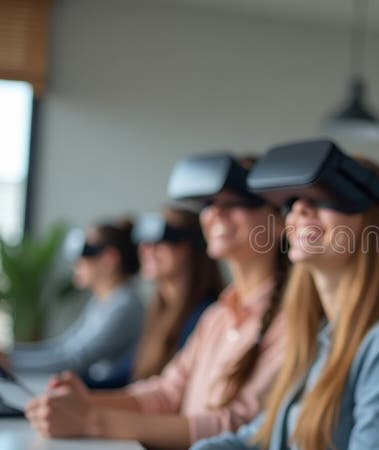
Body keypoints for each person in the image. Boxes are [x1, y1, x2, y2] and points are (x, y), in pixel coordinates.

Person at [191, 140, 379, 450]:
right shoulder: (319, 339)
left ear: (376, 226)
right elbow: (256, 437)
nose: (299, 209)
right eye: (292, 200)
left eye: (324, 197)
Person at [25, 155, 289, 449]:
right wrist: (85, 401)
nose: (216, 213)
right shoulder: (218, 315)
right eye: (209, 204)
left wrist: (91, 419)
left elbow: (239, 428)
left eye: (238, 202)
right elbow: (167, 391)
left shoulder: (292, 321)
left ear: (279, 221)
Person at [84, 207, 225, 388]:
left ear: (188, 248)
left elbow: (171, 394)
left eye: (160, 238)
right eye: (143, 240)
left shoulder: (206, 315)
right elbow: (127, 374)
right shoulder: (159, 311)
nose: (146, 249)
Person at [7, 219, 143, 377]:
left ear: (110, 259)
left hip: (101, 392)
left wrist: (11, 362)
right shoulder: (101, 302)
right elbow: (62, 347)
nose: (75, 264)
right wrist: (10, 355)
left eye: (84, 251)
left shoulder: (126, 306)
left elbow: (76, 360)